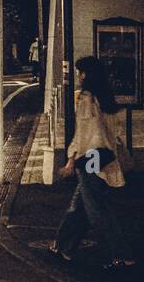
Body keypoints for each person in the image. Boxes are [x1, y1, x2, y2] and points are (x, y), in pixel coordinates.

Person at [53, 57, 136, 269]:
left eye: (81, 72)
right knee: (80, 205)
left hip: (91, 158)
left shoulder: (86, 98)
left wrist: (72, 158)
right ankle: (62, 245)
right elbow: (112, 132)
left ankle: (122, 254)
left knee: (96, 209)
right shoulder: (106, 97)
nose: (79, 76)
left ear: (88, 75)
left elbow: (85, 133)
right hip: (104, 155)